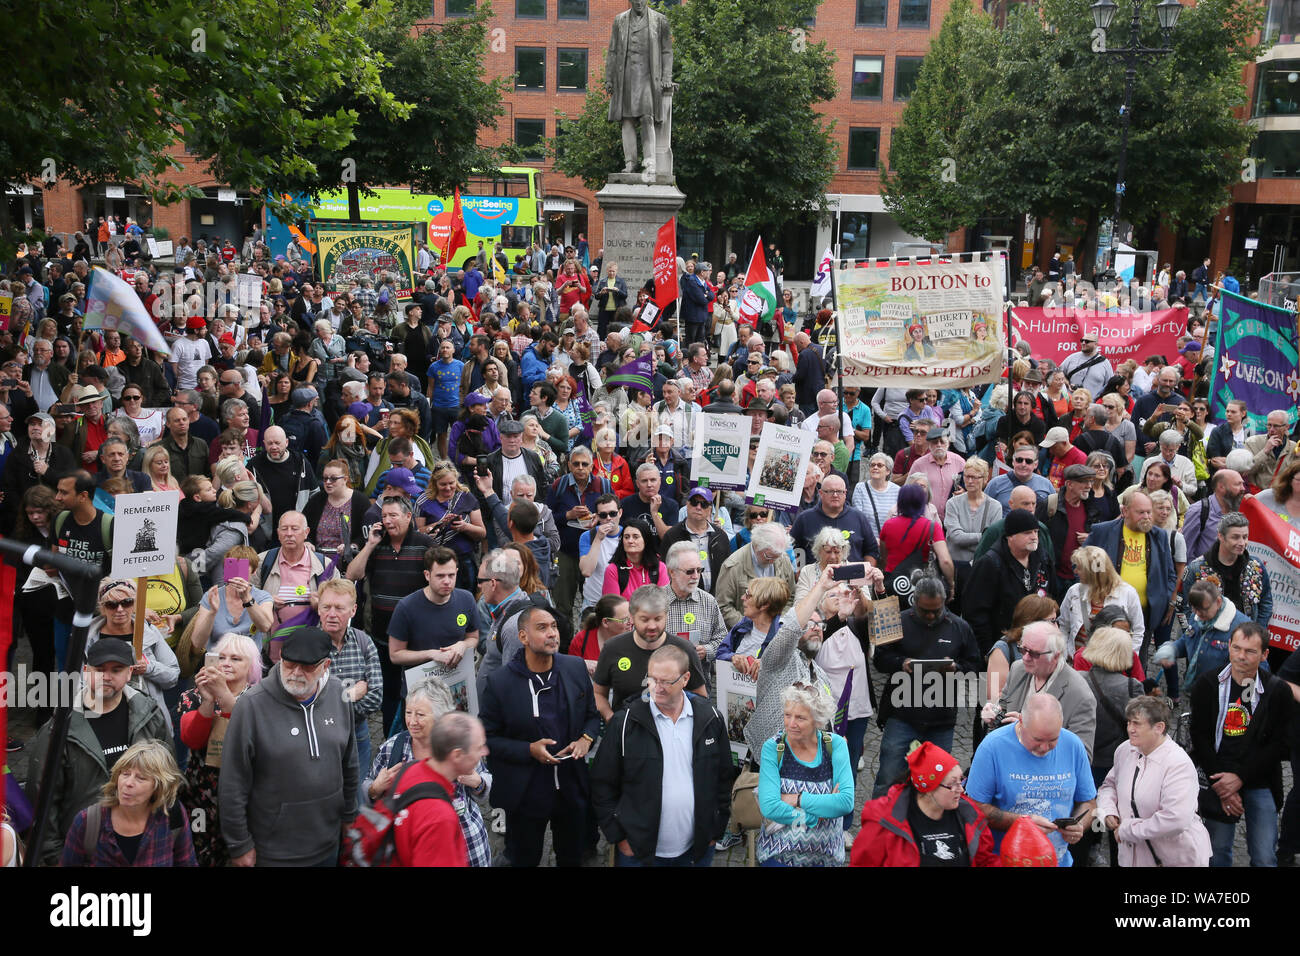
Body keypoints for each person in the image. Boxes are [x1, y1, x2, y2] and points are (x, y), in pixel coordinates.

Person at [219, 626, 359, 866]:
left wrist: (349, 815)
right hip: (273, 852)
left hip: (328, 843)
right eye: (289, 664)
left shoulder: (339, 693)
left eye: (306, 667)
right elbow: (233, 782)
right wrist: (239, 844)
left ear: (325, 666)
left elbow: (350, 761)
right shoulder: (251, 706)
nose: (295, 673)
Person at [26, 637, 171, 864]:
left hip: (141, 843)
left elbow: (167, 779)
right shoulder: (60, 727)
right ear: (86, 671)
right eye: (99, 669)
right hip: (84, 848)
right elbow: (43, 798)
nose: (107, 676)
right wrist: (57, 858)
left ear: (130, 673)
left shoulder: (149, 715)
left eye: (116, 669)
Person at [590, 643, 733, 866]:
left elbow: (723, 777)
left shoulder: (710, 718)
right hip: (638, 852)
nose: (657, 687)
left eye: (667, 681)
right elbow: (602, 783)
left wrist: (715, 829)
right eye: (653, 679)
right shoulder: (626, 721)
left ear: (686, 679)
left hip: (697, 849)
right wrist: (619, 836)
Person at [479, 605, 599, 867]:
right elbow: (487, 738)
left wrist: (585, 739)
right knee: (524, 858)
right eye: (542, 628)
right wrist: (528, 750)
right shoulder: (500, 683)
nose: (552, 634)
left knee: (572, 857)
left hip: (571, 787)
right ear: (523, 637)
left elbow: (592, 715)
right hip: (526, 792)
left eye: (554, 627)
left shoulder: (575, 668)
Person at [1190, 622, 1293, 867]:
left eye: (1250, 651)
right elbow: (1200, 737)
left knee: (1265, 857)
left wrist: (1240, 778)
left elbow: (1281, 744)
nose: (1240, 656)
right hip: (1218, 779)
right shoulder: (1207, 684)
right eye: (1236, 648)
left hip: (1260, 779)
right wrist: (1222, 784)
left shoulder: (1277, 691)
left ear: (1265, 654)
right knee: (1217, 853)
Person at [873, 574, 981, 798]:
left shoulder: (960, 627)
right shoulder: (895, 620)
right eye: (925, 611)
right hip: (901, 714)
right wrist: (901, 664)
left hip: (941, 718)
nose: (931, 616)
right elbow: (879, 661)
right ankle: (879, 826)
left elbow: (974, 664)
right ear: (914, 601)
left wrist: (956, 669)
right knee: (888, 778)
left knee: (937, 781)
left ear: (944, 603)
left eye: (936, 610)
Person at [364, 679, 493, 866]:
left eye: (420, 715)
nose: (412, 721)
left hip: (468, 847)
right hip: (413, 848)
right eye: (408, 712)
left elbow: (485, 785)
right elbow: (368, 790)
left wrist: (477, 782)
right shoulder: (393, 748)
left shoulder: (456, 745)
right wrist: (375, 788)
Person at [967, 693, 1097, 865]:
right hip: (1005, 860)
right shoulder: (992, 747)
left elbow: (1088, 802)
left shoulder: (1073, 744)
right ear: (1020, 722)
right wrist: (1022, 823)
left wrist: (1079, 825)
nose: (1044, 748)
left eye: (1053, 740)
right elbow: (974, 808)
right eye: (1037, 739)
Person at [176, 632, 263, 867]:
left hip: (244, 796)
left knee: (239, 853)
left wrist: (223, 697)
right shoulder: (192, 696)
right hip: (199, 796)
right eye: (221, 657)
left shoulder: (261, 701)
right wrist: (207, 702)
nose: (226, 663)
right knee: (197, 848)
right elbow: (191, 739)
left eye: (236, 659)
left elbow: (257, 737)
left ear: (251, 667)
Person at [1096, 695, 1212, 867]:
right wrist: (1108, 810)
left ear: (1159, 727)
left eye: (1137, 723)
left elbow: (1176, 818)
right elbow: (1109, 786)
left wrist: (1128, 830)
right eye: (1129, 722)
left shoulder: (1178, 764)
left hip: (1175, 859)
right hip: (1132, 858)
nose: (1130, 729)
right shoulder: (1124, 750)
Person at [756, 680, 855, 866]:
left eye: (800, 718)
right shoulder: (773, 748)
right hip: (780, 856)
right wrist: (817, 816)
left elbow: (845, 802)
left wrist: (798, 799)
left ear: (817, 720)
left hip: (827, 857)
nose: (791, 723)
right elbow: (770, 807)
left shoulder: (835, 745)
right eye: (787, 715)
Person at [852, 741, 997, 867]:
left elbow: (984, 860)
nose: (960, 789)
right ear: (928, 789)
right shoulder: (885, 821)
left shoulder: (969, 814)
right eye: (952, 784)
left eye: (961, 780)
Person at [59, 740, 196, 867]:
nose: (128, 783)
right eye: (125, 774)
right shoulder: (87, 822)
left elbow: (187, 863)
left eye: (141, 778)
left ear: (159, 786)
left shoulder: (171, 816)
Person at [386, 545, 480, 725]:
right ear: (427, 575)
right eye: (440, 576)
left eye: (451, 575)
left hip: (456, 691)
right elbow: (395, 655)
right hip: (421, 696)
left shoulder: (466, 599)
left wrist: (462, 645)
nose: (447, 581)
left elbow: (473, 638)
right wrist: (432, 654)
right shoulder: (406, 608)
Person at [985, 621, 1097, 759]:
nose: (1025, 658)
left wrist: (1028, 732)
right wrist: (993, 713)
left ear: (1056, 656)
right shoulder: (1018, 669)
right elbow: (1003, 707)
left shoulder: (1079, 695)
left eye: (1034, 654)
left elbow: (1082, 756)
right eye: (1022, 649)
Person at [592, 585, 708, 719]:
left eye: (658, 619)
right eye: (644, 619)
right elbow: (598, 693)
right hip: (627, 734)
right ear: (631, 617)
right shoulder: (613, 648)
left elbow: (700, 700)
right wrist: (611, 720)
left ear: (666, 616)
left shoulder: (685, 650)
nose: (652, 626)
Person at [1084, 490, 1175, 660]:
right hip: (1108, 611)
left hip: (1144, 612)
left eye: (1149, 511)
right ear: (1124, 511)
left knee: (1137, 662)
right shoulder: (1103, 531)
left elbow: (1169, 573)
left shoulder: (1159, 536)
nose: (1147, 516)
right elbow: (1082, 563)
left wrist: (1164, 597)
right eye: (1141, 512)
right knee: (1103, 658)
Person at [84, 578, 180, 735]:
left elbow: (173, 676)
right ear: (103, 608)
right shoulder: (88, 638)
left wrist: (148, 668)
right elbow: (79, 684)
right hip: (105, 717)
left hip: (147, 719)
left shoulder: (150, 633)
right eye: (112, 604)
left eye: (127, 602)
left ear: (135, 604)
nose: (120, 609)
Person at [964, 508, 1054, 654]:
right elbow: (976, 614)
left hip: (1039, 646)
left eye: (1036, 532)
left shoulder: (1043, 558)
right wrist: (990, 652)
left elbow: (1053, 598)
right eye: (1027, 533)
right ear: (1010, 536)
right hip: (1003, 646)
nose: (1034, 537)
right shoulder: (990, 564)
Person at [1056, 546, 1144, 656]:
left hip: (1110, 666)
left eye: (1079, 568)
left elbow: (1138, 631)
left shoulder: (1128, 593)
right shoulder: (1074, 591)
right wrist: (1063, 657)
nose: (1075, 571)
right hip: (1076, 665)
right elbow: (1063, 626)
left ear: (1092, 572)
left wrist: (1128, 660)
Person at [878, 482, 956, 598]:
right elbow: (945, 561)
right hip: (923, 588)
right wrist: (951, 584)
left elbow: (884, 557)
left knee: (895, 616)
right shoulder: (932, 527)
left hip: (893, 583)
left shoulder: (888, 525)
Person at [715, 521, 797, 629]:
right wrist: (752, 628)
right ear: (757, 545)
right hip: (744, 633)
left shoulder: (782, 559)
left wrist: (779, 622)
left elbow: (791, 596)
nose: (773, 561)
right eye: (769, 557)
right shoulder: (733, 566)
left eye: (777, 557)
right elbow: (723, 606)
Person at [661, 540, 728, 668]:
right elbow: (641, 639)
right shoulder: (655, 600)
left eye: (699, 570)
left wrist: (706, 650)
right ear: (672, 572)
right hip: (663, 678)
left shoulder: (708, 601)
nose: (696, 576)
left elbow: (723, 640)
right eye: (690, 571)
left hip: (700, 678)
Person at [1244, 409, 1299, 491]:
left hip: (1281, 496)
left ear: (1286, 427)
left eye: (1276, 426)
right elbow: (1246, 471)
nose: (1271, 429)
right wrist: (1265, 451)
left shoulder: (1294, 447)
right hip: (1257, 496)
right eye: (1269, 425)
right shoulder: (1252, 442)